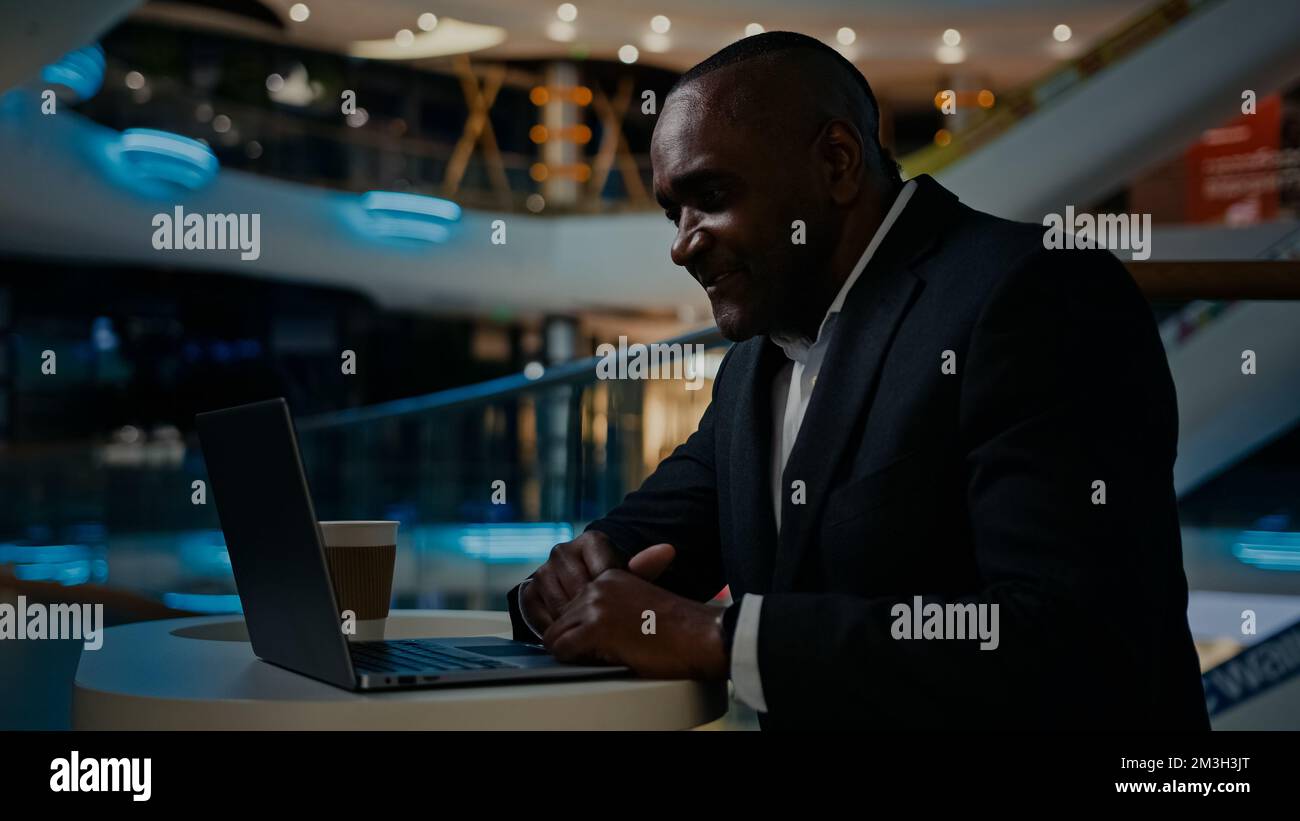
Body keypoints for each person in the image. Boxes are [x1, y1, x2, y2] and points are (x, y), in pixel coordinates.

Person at [507, 31, 1210, 730]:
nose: (682, 243)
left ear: (837, 161)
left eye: (712, 195)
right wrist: (571, 579)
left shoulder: (1038, 294)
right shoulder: (757, 358)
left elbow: (1076, 641)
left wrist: (720, 639)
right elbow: (649, 537)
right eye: (674, 211)